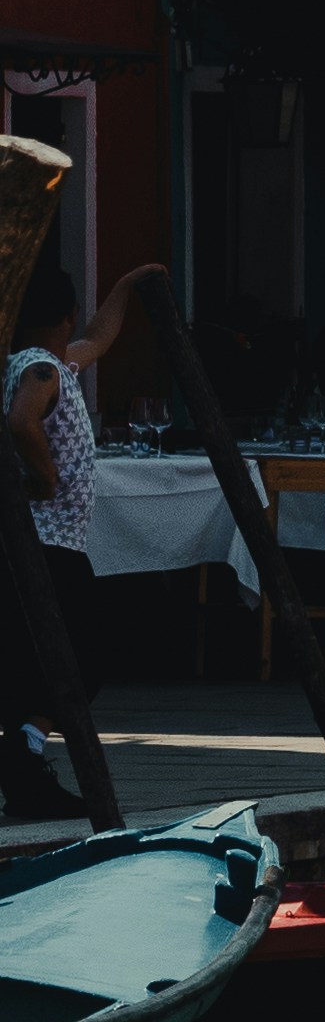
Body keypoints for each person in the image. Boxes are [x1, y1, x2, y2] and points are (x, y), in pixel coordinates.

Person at [4, 256, 148, 817]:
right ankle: (25, 746)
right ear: (64, 313)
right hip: (47, 541)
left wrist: (127, 283)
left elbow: (99, 338)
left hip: (49, 540)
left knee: (41, 655)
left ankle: (24, 758)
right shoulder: (41, 370)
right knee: (91, 648)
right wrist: (43, 474)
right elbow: (22, 422)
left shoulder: (47, 360)